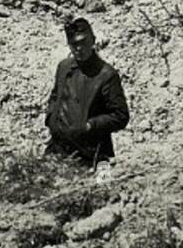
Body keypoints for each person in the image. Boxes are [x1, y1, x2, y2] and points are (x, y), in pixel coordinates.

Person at [44, 17, 129, 174]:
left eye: (83, 42)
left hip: (92, 154)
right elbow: (55, 96)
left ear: (93, 41)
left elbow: (121, 116)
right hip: (58, 150)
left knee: (96, 195)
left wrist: (90, 125)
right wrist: (51, 119)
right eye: (74, 44)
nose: (79, 49)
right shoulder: (64, 67)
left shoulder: (106, 74)